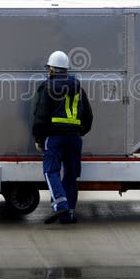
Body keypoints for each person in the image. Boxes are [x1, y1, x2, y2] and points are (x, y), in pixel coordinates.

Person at [32, 50, 93, 224]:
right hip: (74, 138)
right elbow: (88, 117)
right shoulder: (78, 88)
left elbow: (40, 115)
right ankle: (68, 215)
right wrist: (79, 132)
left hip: (54, 137)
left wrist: (38, 138)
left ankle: (60, 205)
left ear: (52, 69)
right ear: (66, 69)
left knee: (50, 171)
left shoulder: (48, 86)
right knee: (71, 175)